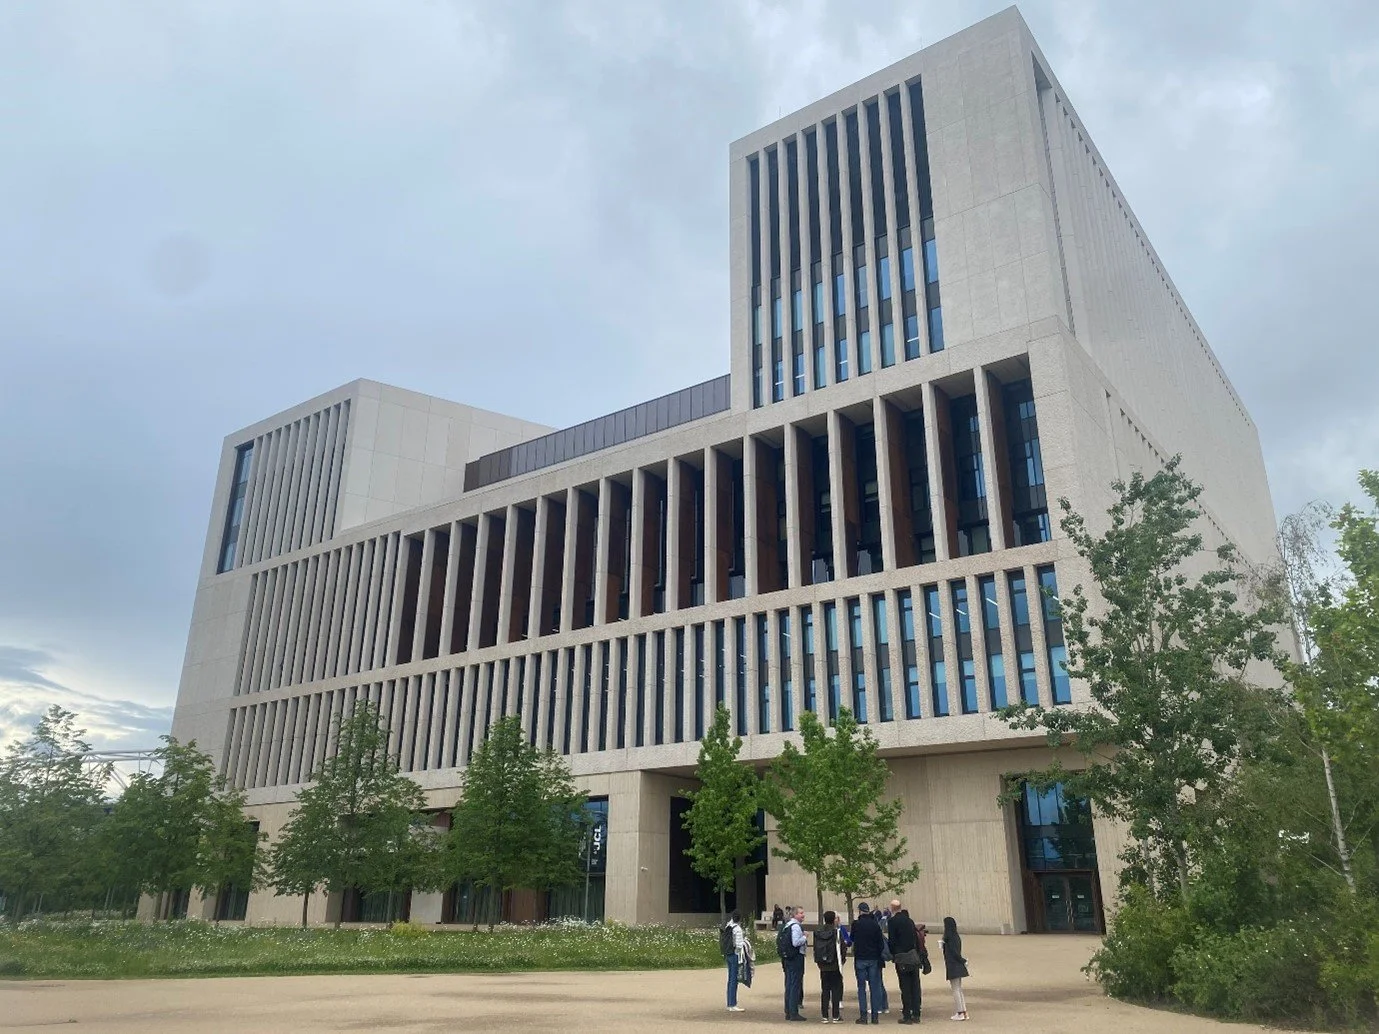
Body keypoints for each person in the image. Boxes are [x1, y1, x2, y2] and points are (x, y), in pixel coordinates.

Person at [886, 898, 929, 1025]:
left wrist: (893, 954)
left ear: (892, 908)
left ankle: (907, 1014)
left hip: (901, 957)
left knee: (905, 987)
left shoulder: (892, 921)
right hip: (913, 955)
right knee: (915, 985)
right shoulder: (909, 921)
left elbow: (892, 940)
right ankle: (916, 1013)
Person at [849, 903, 885, 1025]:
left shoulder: (856, 924)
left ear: (859, 911)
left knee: (861, 988)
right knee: (874, 987)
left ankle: (863, 1015)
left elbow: (852, 938)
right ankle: (875, 1016)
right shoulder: (875, 924)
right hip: (873, 958)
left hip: (860, 957)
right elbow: (880, 942)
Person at [813, 909, 847, 1023]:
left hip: (823, 965)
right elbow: (842, 948)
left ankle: (824, 1016)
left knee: (825, 990)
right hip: (835, 964)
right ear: (833, 920)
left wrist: (819, 962)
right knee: (836, 990)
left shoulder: (818, 932)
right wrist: (841, 961)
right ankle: (836, 1015)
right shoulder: (836, 932)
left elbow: (815, 948)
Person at [777, 904, 808, 1021]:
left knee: (789, 984)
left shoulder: (787, 925)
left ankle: (788, 1010)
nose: (803, 915)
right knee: (795, 984)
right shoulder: (795, 926)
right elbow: (796, 942)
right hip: (796, 957)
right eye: (801, 913)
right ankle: (794, 1012)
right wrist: (804, 937)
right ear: (795, 915)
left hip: (788, 958)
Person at [941, 916, 969, 1022]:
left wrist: (962, 960)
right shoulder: (956, 936)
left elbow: (954, 953)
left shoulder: (949, 938)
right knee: (959, 989)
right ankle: (964, 1011)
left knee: (955, 990)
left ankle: (960, 1012)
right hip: (957, 965)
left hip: (953, 965)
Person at [722, 910, 747, 1012]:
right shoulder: (737, 929)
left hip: (728, 954)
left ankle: (729, 1002)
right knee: (734, 979)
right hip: (735, 955)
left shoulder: (728, 926)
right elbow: (739, 945)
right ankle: (733, 1003)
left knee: (730, 979)